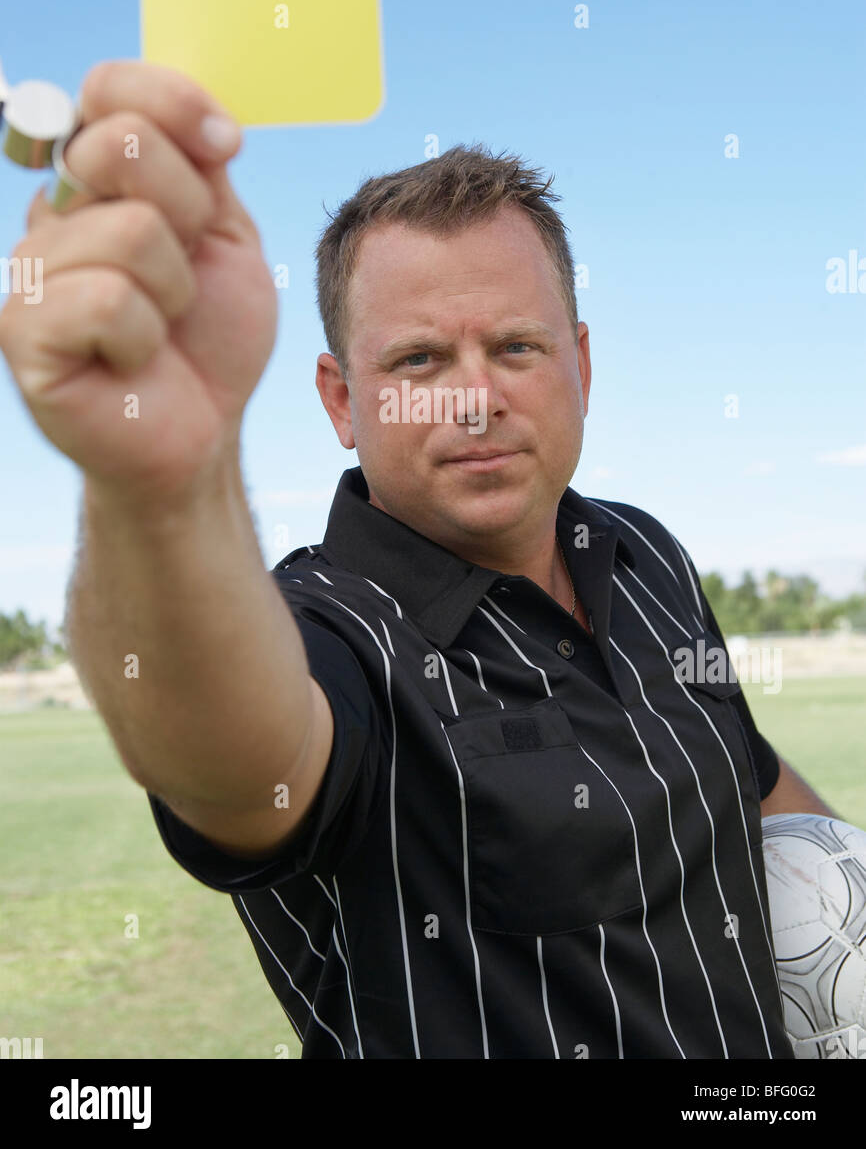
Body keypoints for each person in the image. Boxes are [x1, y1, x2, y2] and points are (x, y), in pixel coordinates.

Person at [0, 60, 837, 1059]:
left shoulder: (642, 552)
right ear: (341, 399)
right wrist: (159, 487)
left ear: (581, 363)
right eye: (417, 361)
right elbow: (231, 766)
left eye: (516, 348)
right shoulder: (328, 629)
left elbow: (746, 777)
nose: (471, 398)